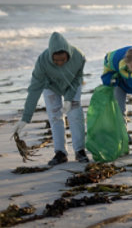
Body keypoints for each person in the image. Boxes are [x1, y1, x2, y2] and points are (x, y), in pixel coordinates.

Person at [12, 32, 88, 165]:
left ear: (68, 55)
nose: (59, 63)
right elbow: (34, 89)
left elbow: (77, 79)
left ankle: (80, 151)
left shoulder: (78, 57)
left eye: (63, 60)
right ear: (50, 55)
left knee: (75, 114)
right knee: (54, 115)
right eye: (56, 60)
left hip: (71, 85)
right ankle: (60, 153)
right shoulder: (42, 62)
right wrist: (26, 117)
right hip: (51, 86)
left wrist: (69, 99)